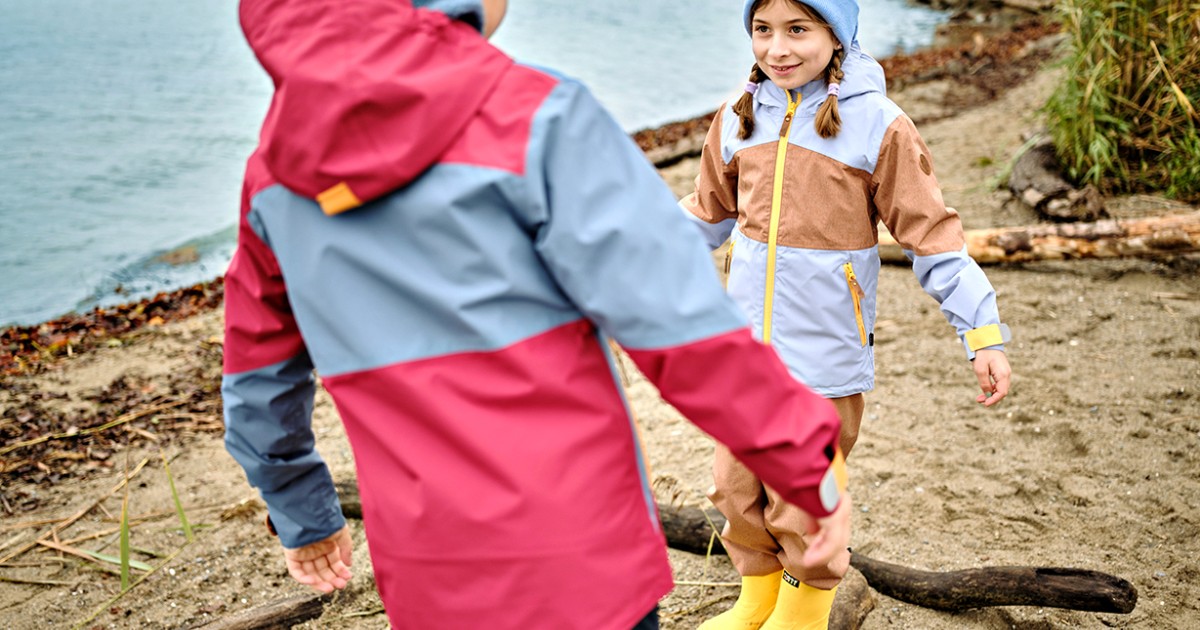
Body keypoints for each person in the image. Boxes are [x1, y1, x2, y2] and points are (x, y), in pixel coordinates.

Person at [221, 1, 854, 628]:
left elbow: (257, 380)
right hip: (584, 552)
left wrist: (301, 514)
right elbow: (680, 326)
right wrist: (805, 468)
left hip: (428, 569)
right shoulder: (539, 115)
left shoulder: (271, 178)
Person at [680, 0, 1013, 628]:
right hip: (744, 351)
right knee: (734, 486)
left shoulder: (878, 126)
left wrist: (983, 333)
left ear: (838, 35)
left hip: (826, 354)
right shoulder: (738, 115)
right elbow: (705, 215)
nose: (777, 48)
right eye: (762, 30)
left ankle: (805, 609)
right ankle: (756, 599)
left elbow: (933, 239)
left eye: (798, 30)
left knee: (806, 497)